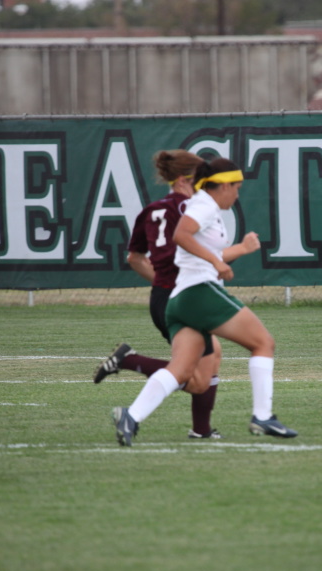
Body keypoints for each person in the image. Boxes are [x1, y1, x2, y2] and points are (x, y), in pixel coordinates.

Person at [112, 156, 297, 446]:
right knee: (263, 343)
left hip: (179, 299)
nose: (237, 194)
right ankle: (262, 416)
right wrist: (216, 261)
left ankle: (131, 416)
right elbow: (181, 235)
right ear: (221, 186)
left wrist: (233, 252)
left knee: (184, 372)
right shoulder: (203, 204)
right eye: (235, 187)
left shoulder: (203, 206)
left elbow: (193, 244)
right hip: (198, 292)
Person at [94, 149, 224, 439]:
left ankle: (202, 430)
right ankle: (128, 361)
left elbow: (134, 258)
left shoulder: (151, 210)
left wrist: (164, 281)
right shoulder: (190, 210)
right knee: (196, 379)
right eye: (200, 181)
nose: (205, 188)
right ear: (182, 180)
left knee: (213, 353)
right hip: (184, 299)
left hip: (165, 296)